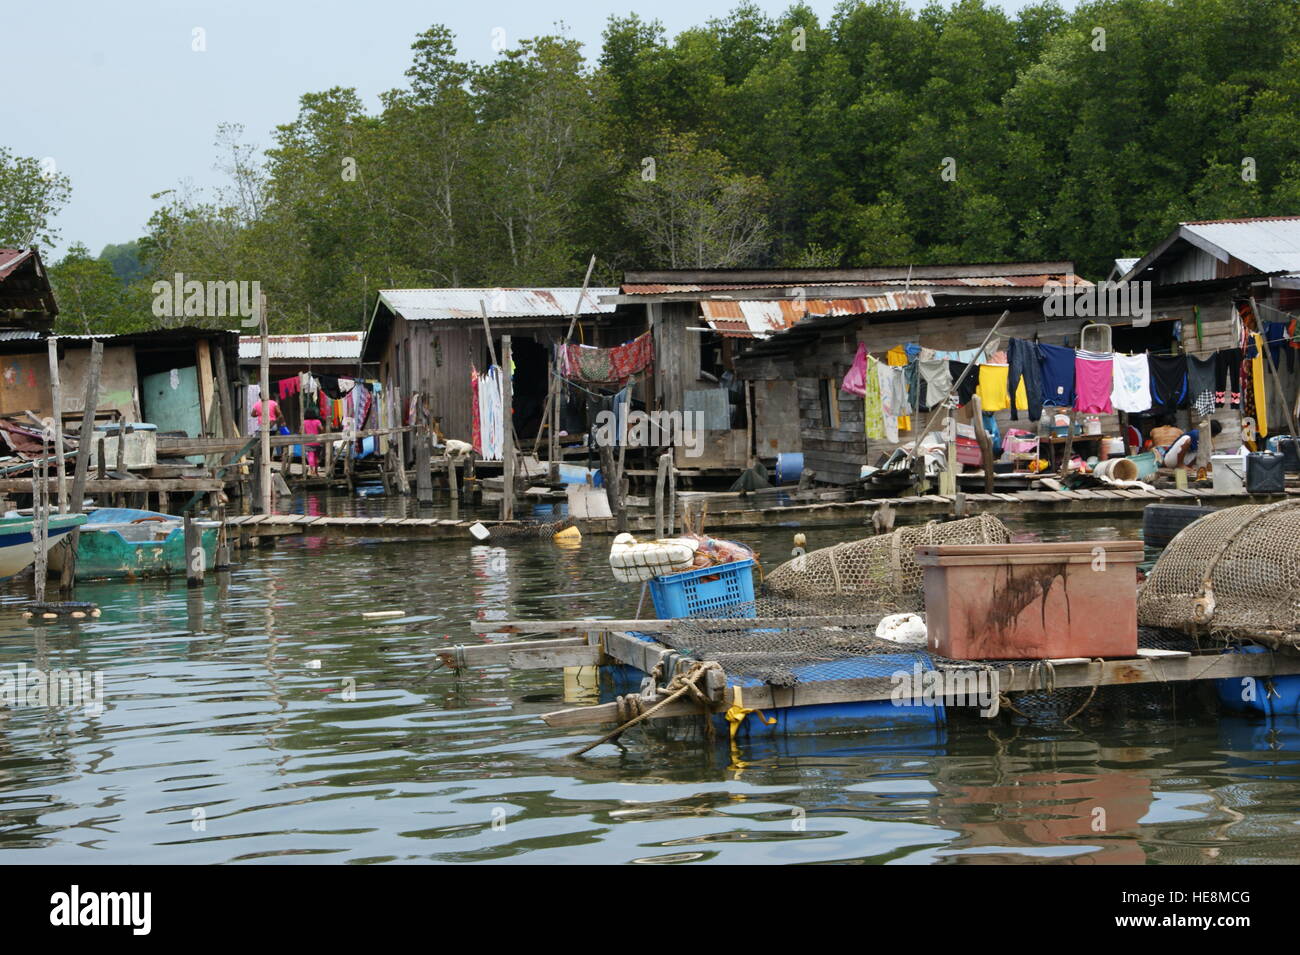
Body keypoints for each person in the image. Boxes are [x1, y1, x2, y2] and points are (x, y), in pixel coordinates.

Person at [302, 404, 324, 475]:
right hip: (317, 441)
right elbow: (321, 429)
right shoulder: (317, 421)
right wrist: (319, 433)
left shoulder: (304, 422)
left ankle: (312, 470)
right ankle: (316, 471)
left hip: (308, 441)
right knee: (316, 456)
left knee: (310, 455)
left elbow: (301, 430)